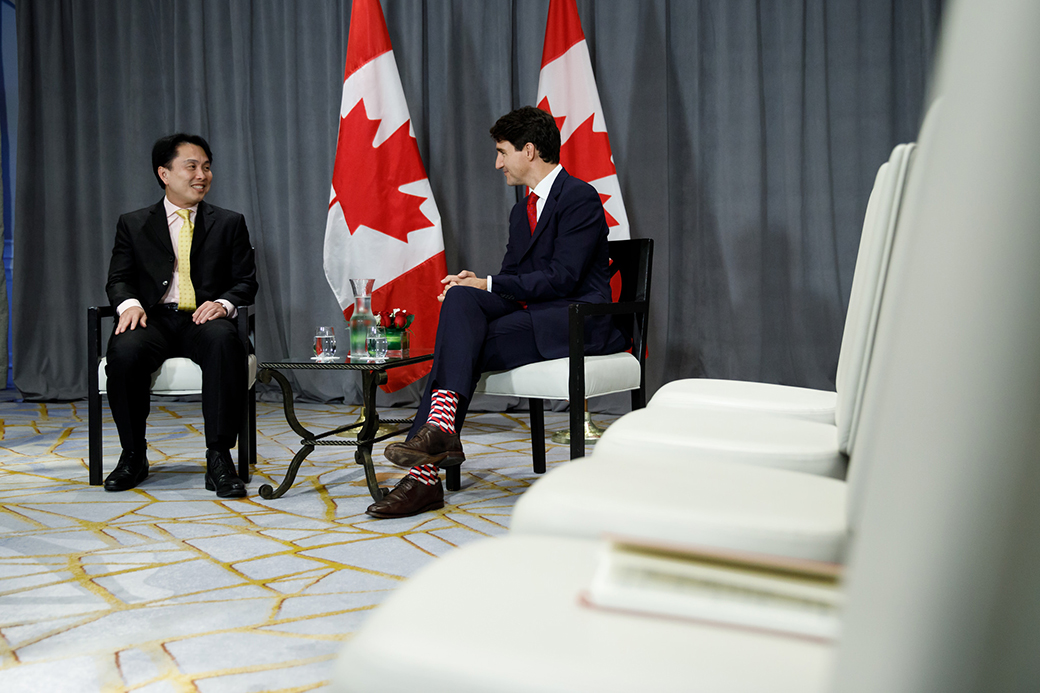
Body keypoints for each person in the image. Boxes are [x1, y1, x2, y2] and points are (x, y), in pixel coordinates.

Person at [367, 106, 625, 519]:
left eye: (503, 152)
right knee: (460, 300)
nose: (497, 163)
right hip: (537, 314)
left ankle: (424, 478)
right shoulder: (520, 209)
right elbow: (513, 278)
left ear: (529, 151)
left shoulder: (579, 197)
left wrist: (488, 283)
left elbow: (562, 278)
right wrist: (475, 284)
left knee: (460, 346)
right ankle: (440, 437)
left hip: (576, 321)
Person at [103, 133, 258, 497]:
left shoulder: (229, 222)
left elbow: (245, 282)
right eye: (191, 166)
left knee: (224, 341)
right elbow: (119, 279)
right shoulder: (134, 223)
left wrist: (223, 303)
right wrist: (130, 305)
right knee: (124, 351)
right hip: (152, 318)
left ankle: (219, 456)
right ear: (164, 173)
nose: (201, 175)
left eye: (206, 167)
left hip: (202, 320)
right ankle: (133, 455)